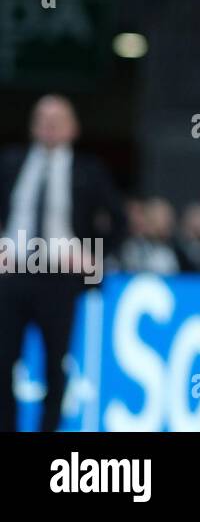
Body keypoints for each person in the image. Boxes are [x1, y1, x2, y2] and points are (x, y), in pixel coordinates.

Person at [0, 95, 121, 432]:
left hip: (59, 277)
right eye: (43, 117)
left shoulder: (88, 170)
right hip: (12, 274)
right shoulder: (11, 162)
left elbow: (119, 220)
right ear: (32, 125)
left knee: (56, 365)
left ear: (73, 127)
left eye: (58, 118)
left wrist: (93, 256)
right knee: (3, 361)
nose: (49, 125)